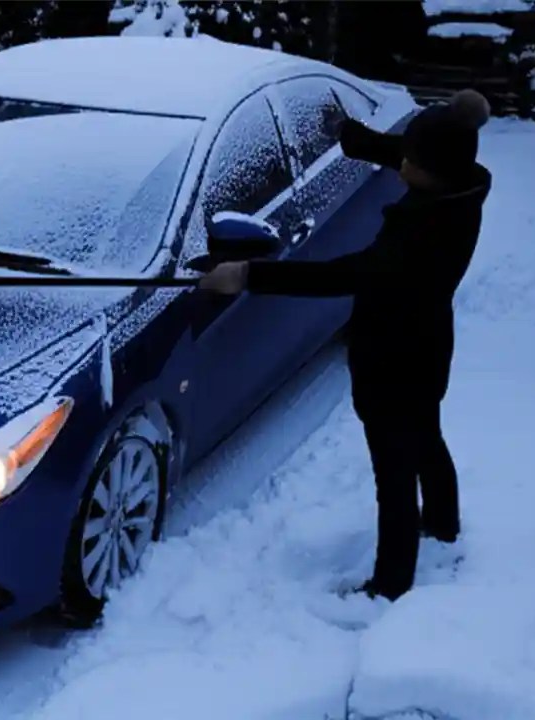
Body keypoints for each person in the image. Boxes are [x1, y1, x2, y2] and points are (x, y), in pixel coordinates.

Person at [198, 89, 492, 601]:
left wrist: (247, 274)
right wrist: (354, 139)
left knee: (394, 474)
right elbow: (407, 152)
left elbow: (340, 275)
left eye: (411, 162)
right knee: (426, 437)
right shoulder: (460, 185)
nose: (401, 166)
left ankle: (390, 584)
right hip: (428, 348)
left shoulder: (420, 237)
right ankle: (444, 525)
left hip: (393, 361)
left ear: (432, 170)